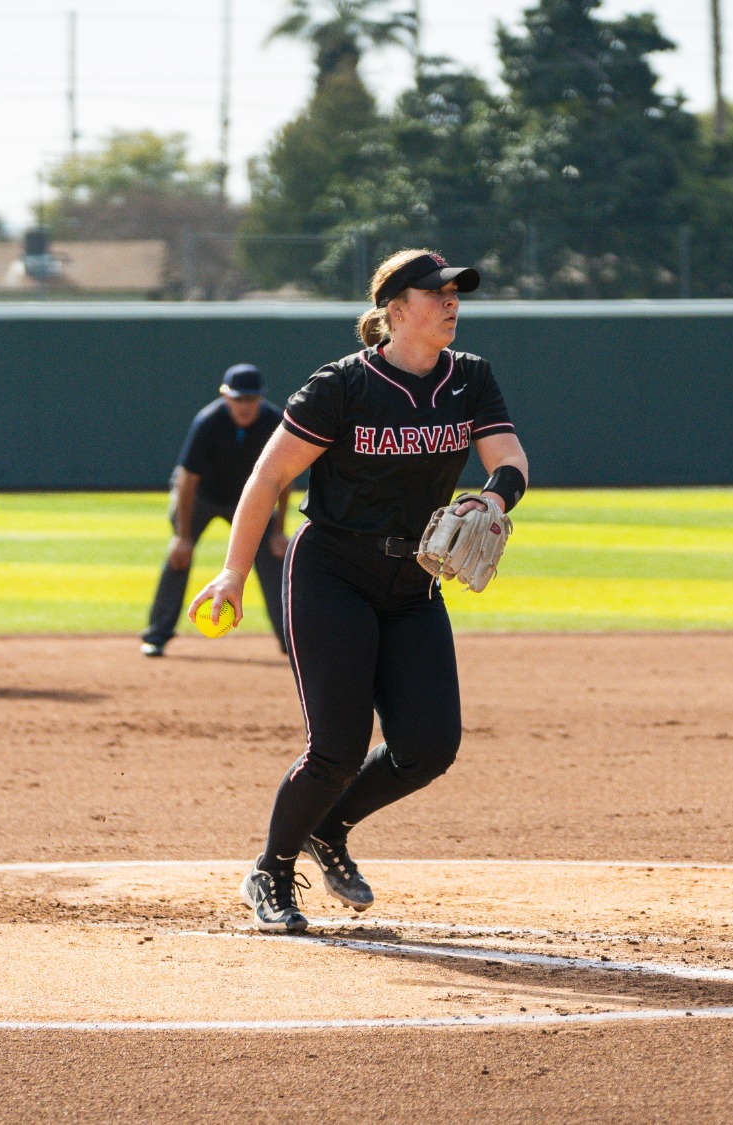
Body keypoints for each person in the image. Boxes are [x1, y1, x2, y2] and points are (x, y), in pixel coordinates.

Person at [188, 250, 530, 933]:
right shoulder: (342, 385)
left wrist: (493, 497)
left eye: (456, 292)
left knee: (428, 746)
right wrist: (232, 571)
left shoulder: (470, 379)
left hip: (415, 582)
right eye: (436, 293)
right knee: (338, 748)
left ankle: (329, 827)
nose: (451, 302)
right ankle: (271, 869)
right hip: (333, 572)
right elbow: (267, 478)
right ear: (395, 309)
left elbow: (510, 458)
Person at [140, 364, 291, 658]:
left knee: (275, 560)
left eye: (251, 399)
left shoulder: (274, 422)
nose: (245, 406)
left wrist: (278, 531)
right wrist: (182, 536)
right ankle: (157, 634)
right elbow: (187, 479)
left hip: (248, 500)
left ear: (260, 398)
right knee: (178, 557)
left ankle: (290, 639)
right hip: (202, 498)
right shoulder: (208, 421)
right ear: (225, 396)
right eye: (238, 398)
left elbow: (284, 479)